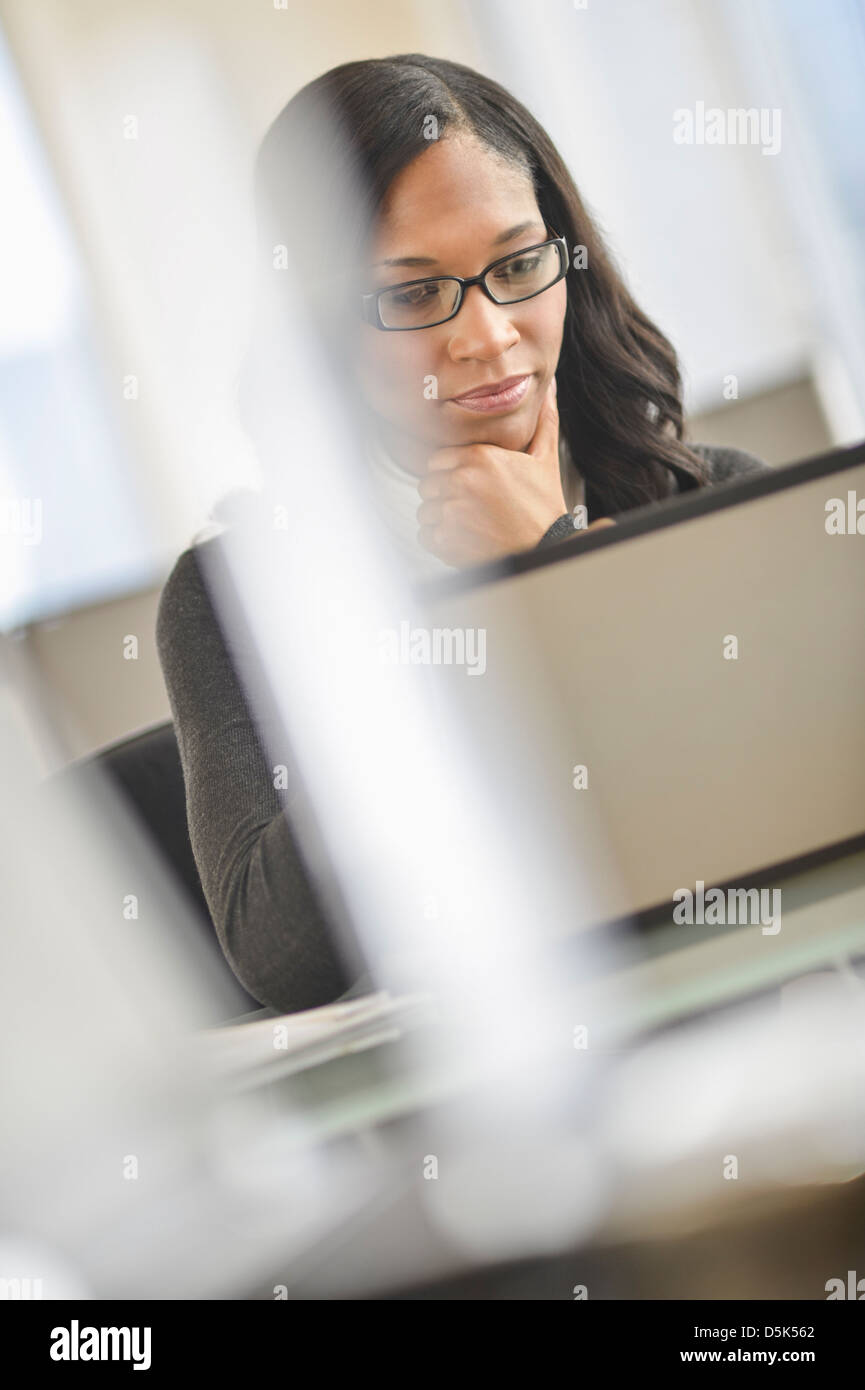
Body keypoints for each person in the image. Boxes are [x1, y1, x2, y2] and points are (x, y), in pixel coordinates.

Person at [156, 54, 771, 1014]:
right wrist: (479, 620)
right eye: (410, 296)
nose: (485, 337)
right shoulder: (239, 594)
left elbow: (765, 820)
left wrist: (556, 563)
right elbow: (283, 959)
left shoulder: (719, 500)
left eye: (518, 266)